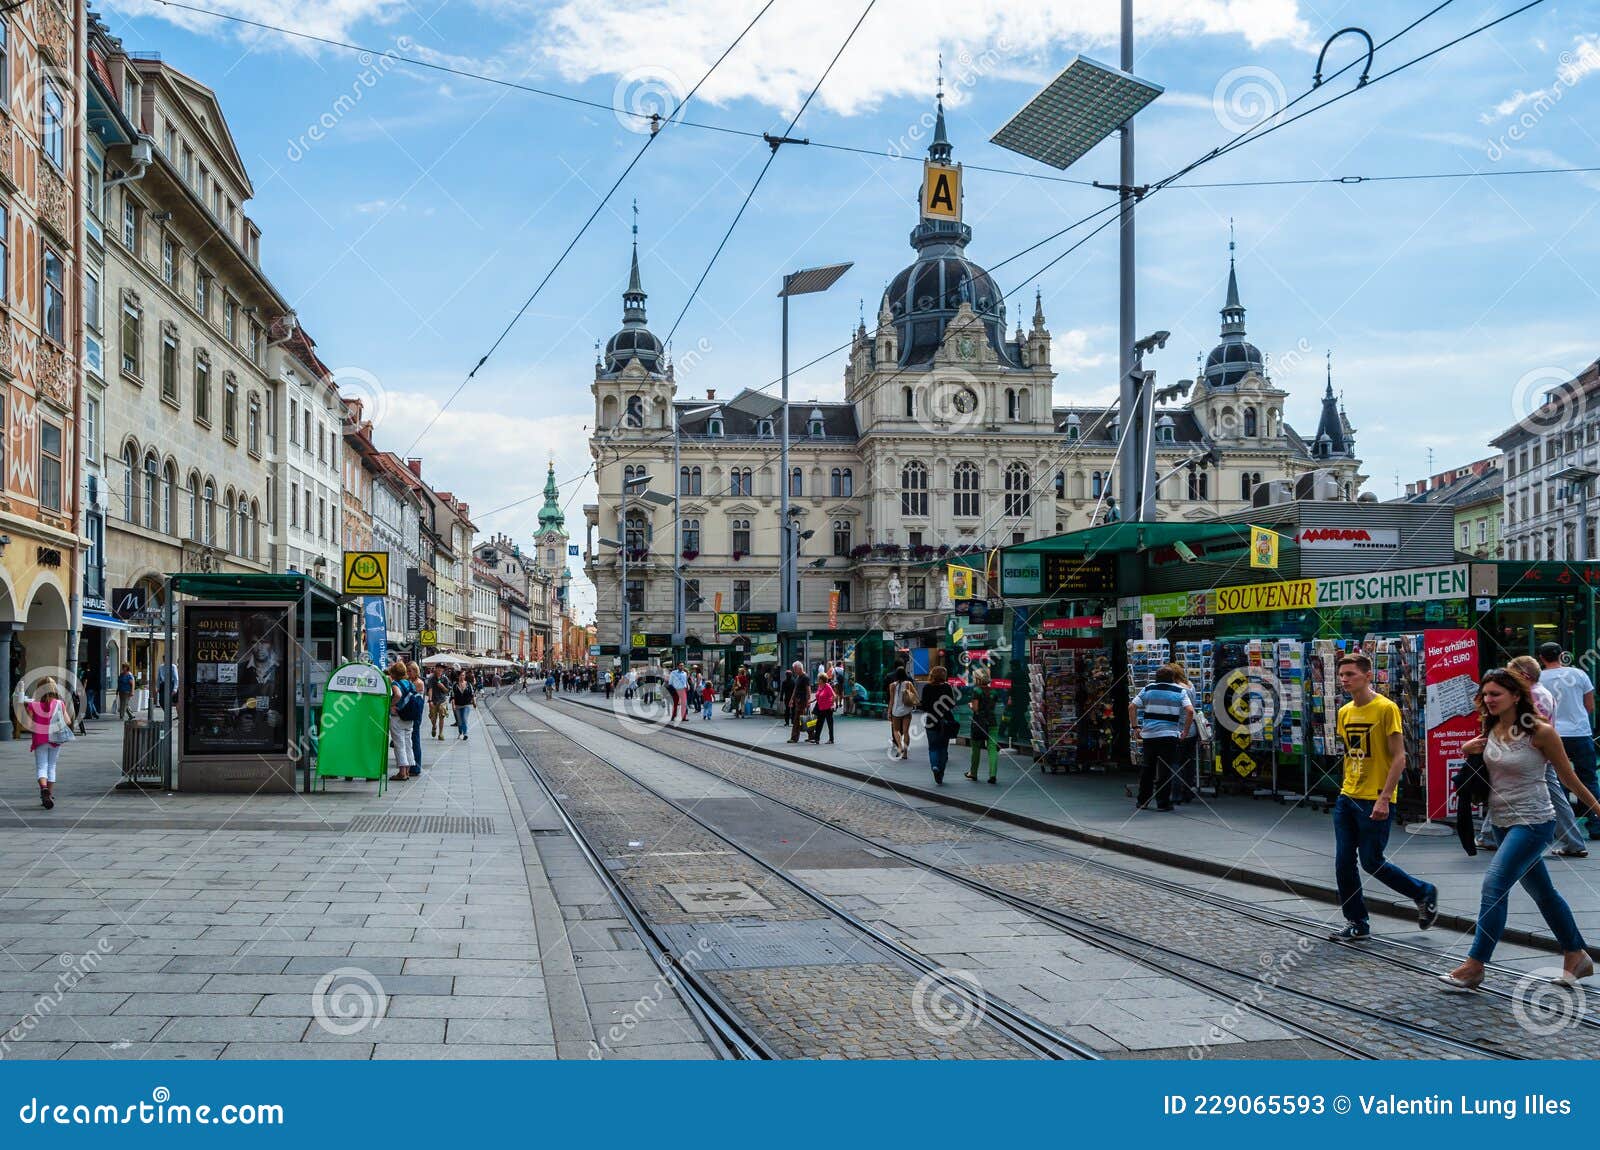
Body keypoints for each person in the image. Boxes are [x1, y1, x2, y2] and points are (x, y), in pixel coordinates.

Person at [1443, 668, 1600, 989]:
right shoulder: (1490, 728)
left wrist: (1597, 809)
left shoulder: (1540, 732)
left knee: (1493, 886)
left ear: (1516, 695)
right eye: (1486, 694)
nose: (1489, 700)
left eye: (1496, 694)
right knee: (1543, 891)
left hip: (1534, 822)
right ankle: (1575, 955)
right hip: (1501, 822)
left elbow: (1569, 778)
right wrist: (1467, 750)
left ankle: (1475, 964)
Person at [1328, 653, 1439, 942]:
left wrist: (1384, 797)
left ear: (1367, 675)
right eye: (1342, 675)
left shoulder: (1385, 708)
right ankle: (1357, 922)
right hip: (1348, 796)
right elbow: (1353, 755)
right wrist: (1345, 788)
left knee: (1371, 861)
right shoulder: (1345, 712)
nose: (1344, 679)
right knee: (1343, 862)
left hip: (1374, 797)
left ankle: (1422, 891)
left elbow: (1399, 757)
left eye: (1350, 674)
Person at [1498, 655, 1588, 858]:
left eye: (1512, 674)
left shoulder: (1532, 695)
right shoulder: (1542, 692)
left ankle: (1573, 841)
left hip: (1531, 755)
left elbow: (1526, 726)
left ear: (1523, 675)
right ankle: (1573, 841)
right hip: (1537, 754)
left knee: (1552, 797)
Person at [1536, 642, 1600, 841]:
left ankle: (1562, 828)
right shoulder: (1579, 674)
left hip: (1553, 735)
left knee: (1557, 783)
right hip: (1580, 732)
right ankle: (1596, 824)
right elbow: (1589, 705)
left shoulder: (1538, 680)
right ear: (1562, 655)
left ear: (1541, 658)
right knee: (1588, 779)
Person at [1129, 665, 1193, 812]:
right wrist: (1185, 731)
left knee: (1147, 769)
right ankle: (1163, 803)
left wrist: (1135, 727)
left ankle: (1143, 801)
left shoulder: (1148, 689)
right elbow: (1190, 711)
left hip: (1149, 736)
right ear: (1172, 678)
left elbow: (1131, 707)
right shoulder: (1180, 691)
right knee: (1165, 770)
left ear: (1156, 677)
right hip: (1169, 736)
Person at [28, 679, 67, 809]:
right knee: (52, 766)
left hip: (40, 739)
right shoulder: (60, 703)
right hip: (55, 739)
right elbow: (67, 720)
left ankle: (44, 789)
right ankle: (49, 795)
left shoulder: (33, 705)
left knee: (41, 766)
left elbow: (29, 725)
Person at [1169, 663, 1205, 805]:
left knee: (1175, 762)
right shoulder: (1190, 685)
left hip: (1180, 729)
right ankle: (1188, 792)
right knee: (1189, 763)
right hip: (1193, 730)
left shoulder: (1176, 689)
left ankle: (1176, 795)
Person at [918, 667, 959, 785]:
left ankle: (934, 766)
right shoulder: (947, 687)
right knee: (943, 747)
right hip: (945, 720)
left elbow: (924, 706)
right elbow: (951, 704)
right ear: (943, 675)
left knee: (933, 747)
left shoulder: (927, 687)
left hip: (931, 720)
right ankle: (940, 772)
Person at [965, 667, 1000, 784]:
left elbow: (975, 709)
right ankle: (993, 774)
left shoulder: (977, 691)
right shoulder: (994, 691)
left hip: (979, 723)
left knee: (976, 749)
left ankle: (973, 773)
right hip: (992, 722)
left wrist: (970, 705)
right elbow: (992, 707)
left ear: (978, 678)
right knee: (992, 749)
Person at [388, 664, 417, 781]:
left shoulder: (395, 683)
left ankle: (402, 773)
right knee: (408, 744)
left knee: (399, 744)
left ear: (394, 674)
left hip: (398, 717)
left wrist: (391, 704)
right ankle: (408, 771)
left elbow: (398, 695)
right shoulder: (409, 683)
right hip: (409, 717)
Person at [888, 664, 917, 760]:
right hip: (907, 710)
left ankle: (899, 747)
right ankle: (905, 753)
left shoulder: (892, 685)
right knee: (906, 731)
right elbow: (915, 695)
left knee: (896, 730)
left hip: (896, 711)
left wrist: (889, 712)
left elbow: (891, 700)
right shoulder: (908, 684)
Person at [406, 661, 426, 776]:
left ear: (415, 671)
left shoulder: (418, 683)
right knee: (411, 740)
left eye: (410, 671)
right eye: (407, 671)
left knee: (415, 739)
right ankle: (412, 765)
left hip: (416, 714)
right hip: (413, 713)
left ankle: (416, 767)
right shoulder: (411, 681)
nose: (408, 673)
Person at [786, 661, 811, 744]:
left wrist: (808, 700)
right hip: (798, 701)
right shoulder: (798, 677)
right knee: (805, 719)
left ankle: (794, 737)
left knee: (797, 719)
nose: (794, 671)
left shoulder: (805, 677)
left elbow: (808, 690)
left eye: (795, 669)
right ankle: (812, 735)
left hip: (803, 701)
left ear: (800, 668)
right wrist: (791, 699)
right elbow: (795, 690)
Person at [809, 675, 836, 744]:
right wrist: (811, 701)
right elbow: (818, 696)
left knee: (830, 724)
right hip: (821, 708)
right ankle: (816, 739)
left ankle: (831, 739)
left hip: (828, 708)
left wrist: (832, 704)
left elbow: (834, 696)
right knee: (819, 723)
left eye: (819, 679)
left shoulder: (827, 686)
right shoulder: (820, 686)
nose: (818, 680)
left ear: (822, 679)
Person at [428, 670, 451, 740]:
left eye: (441, 668)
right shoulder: (431, 678)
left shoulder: (445, 679)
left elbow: (447, 691)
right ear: (436, 669)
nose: (440, 670)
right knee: (433, 717)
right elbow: (430, 689)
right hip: (434, 700)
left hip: (442, 701)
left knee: (442, 716)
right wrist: (430, 700)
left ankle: (441, 733)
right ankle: (434, 726)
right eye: (438, 668)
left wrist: (442, 687)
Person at [452, 670, 476, 740]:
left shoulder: (469, 684)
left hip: (466, 705)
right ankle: (460, 732)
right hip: (457, 706)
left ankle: (465, 734)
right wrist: (453, 705)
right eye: (461, 675)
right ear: (458, 676)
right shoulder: (455, 685)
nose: (462, 677)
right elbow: (452, 696)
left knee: (464, 719)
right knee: (459, 721)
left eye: (463, 675)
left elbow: (472, 694)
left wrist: (474, 703)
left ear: (465, 676)